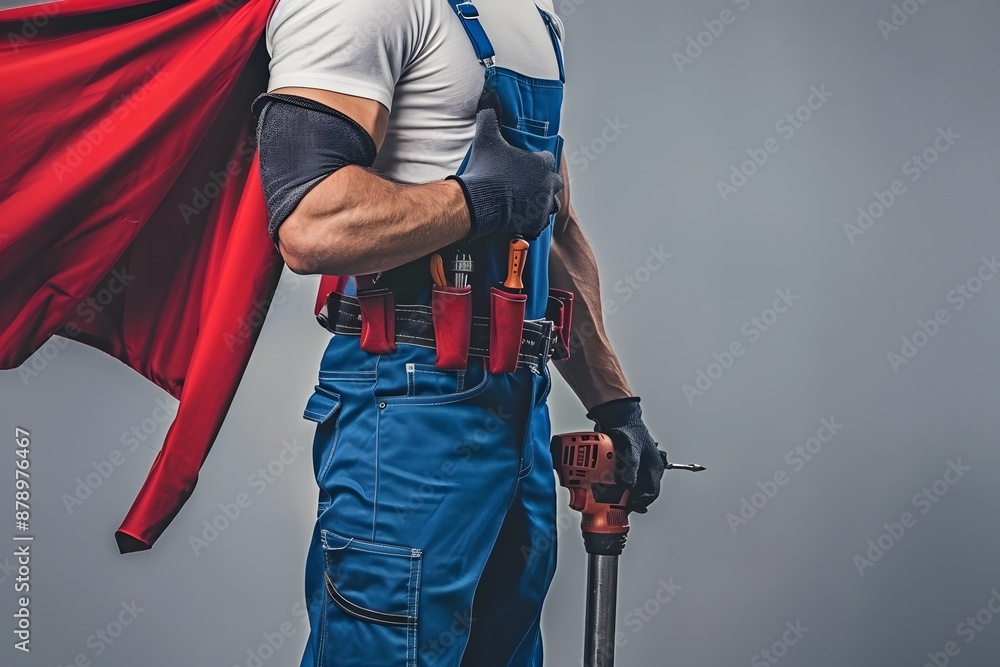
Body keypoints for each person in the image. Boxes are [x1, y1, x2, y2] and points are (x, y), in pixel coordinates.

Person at [254, 1, 672, 664]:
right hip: (408, 404)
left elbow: (548, 223)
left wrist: (613, 401)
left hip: (518, 411)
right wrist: (476, 200)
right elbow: (309, 223)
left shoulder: (535, 13)